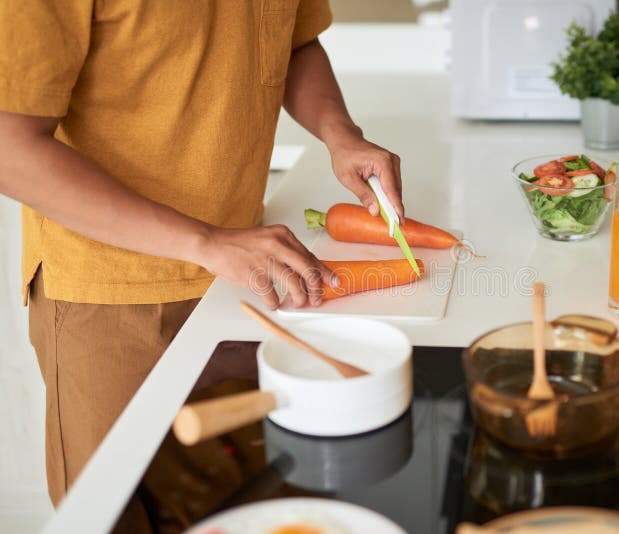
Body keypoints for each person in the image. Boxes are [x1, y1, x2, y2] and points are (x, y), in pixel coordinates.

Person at [0, 0, 404, 516]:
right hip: (110, 298)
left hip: (243, 280)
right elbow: (10, 149)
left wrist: (340, 133)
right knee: (118, 515)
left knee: (244, 507)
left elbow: (294, 43)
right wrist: (206, 242)